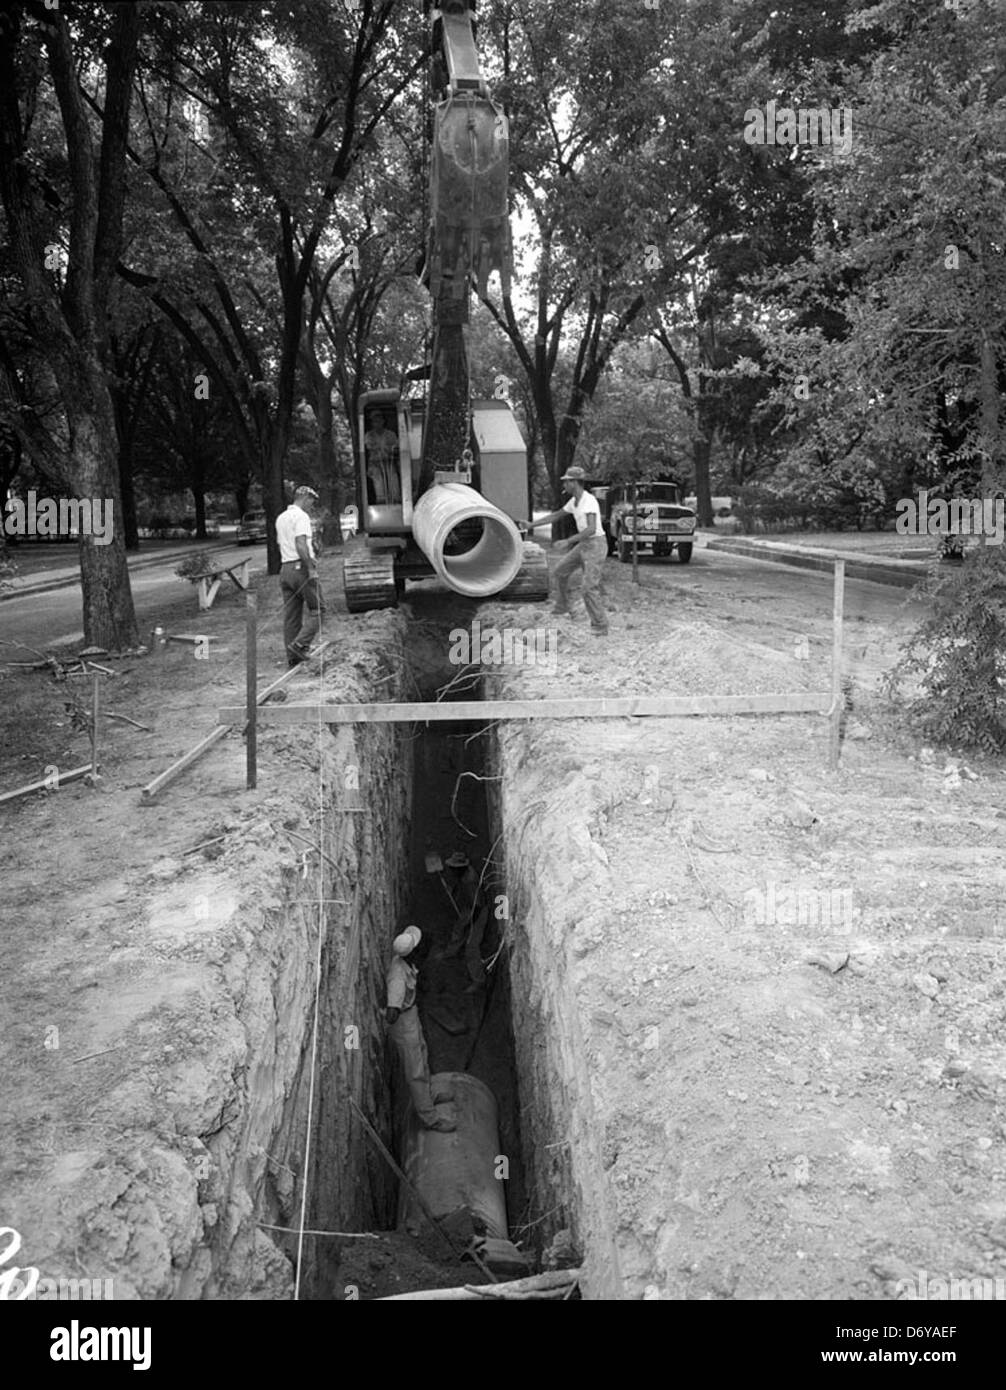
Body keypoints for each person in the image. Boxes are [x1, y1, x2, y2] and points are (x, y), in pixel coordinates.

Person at [519, 465, 609, 635]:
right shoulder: (574, 501)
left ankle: (600, 625)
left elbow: (591, 529)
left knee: (589, 587)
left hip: (595, 544)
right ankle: (562, 607)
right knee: (560, 571)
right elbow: (556, 515)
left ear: (575, 482)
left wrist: (567, 541)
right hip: (584, 544)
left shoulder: (588, 501)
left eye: (567, 482)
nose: (564, 485)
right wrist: (532, 525)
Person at [386, 926, 456, 1132]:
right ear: (412, 953)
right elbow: (392, 1012)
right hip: (403, 1023)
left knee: (423, 1055)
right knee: (415, 1070)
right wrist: (389, 1020)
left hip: (411, 1015)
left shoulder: (405, 962)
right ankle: (430, 1118)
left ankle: (429, 1095)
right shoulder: (398, 978)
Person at [276, 485, 325, 667]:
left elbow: (281, 542)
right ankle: (300, 644)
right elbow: (300, 543)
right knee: (319, 610)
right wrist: (310, 567)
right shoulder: (301, 516)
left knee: (292, 615)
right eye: (312, 500)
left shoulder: (281, 518)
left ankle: (292, 657)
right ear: (304, 497)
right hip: (300, 569)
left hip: (285, 569)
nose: (312, 504)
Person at [364, 412, 401, 505]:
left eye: (379, 420)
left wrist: (390, 450)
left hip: (389, 463)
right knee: (378, 480)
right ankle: (381, 501)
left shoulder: (391, 434)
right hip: (375, 464)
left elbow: (395, 447)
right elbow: (370, 447)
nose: (377, 423)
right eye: (374, 421)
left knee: (393, 478)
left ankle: (396, 500)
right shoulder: (369, 435)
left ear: (383, 421)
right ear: (372, 423)